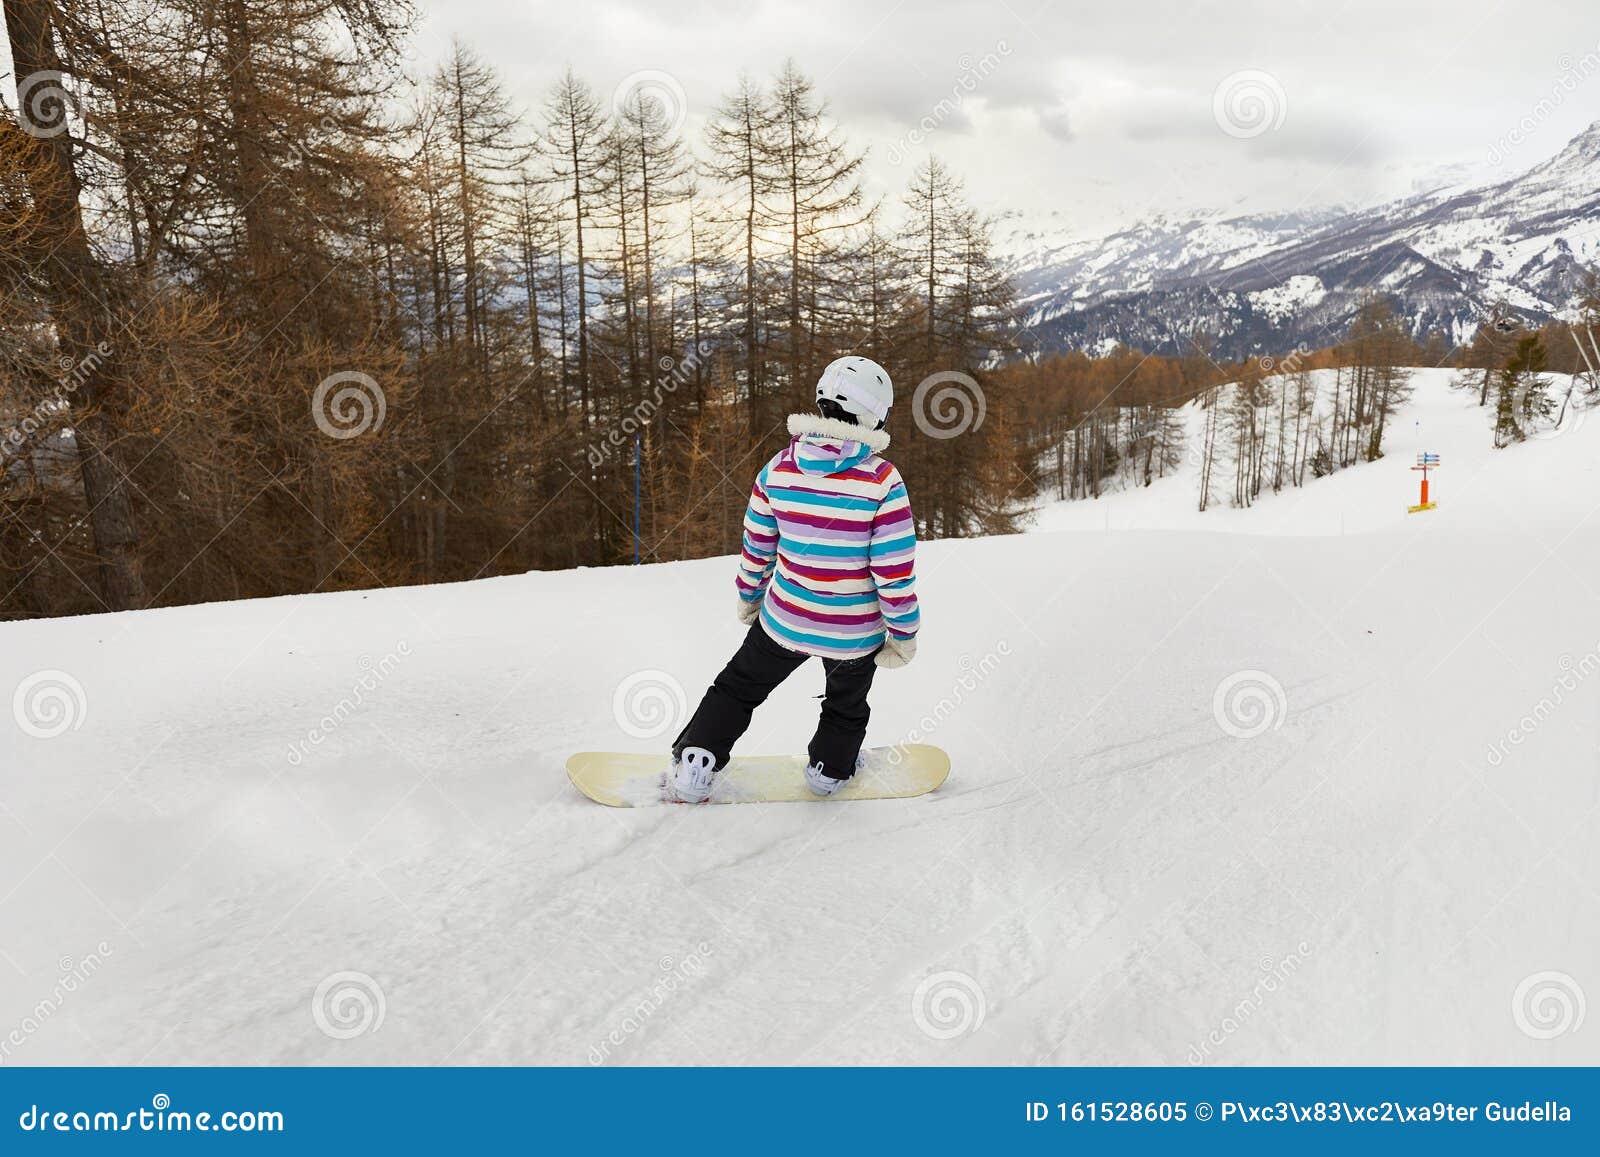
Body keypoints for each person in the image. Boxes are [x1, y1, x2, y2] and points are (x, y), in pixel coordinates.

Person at [669, 355, 920, 802]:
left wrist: (749, 595)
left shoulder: (779, 468)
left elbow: (757, 545)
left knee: (738, 687)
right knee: (845, 704)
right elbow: (894, 572)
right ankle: (830, 770)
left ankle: (697, 760)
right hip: (854, 632)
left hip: (785, 618)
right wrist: (903, 633)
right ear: (875, 414)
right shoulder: (883, 480)